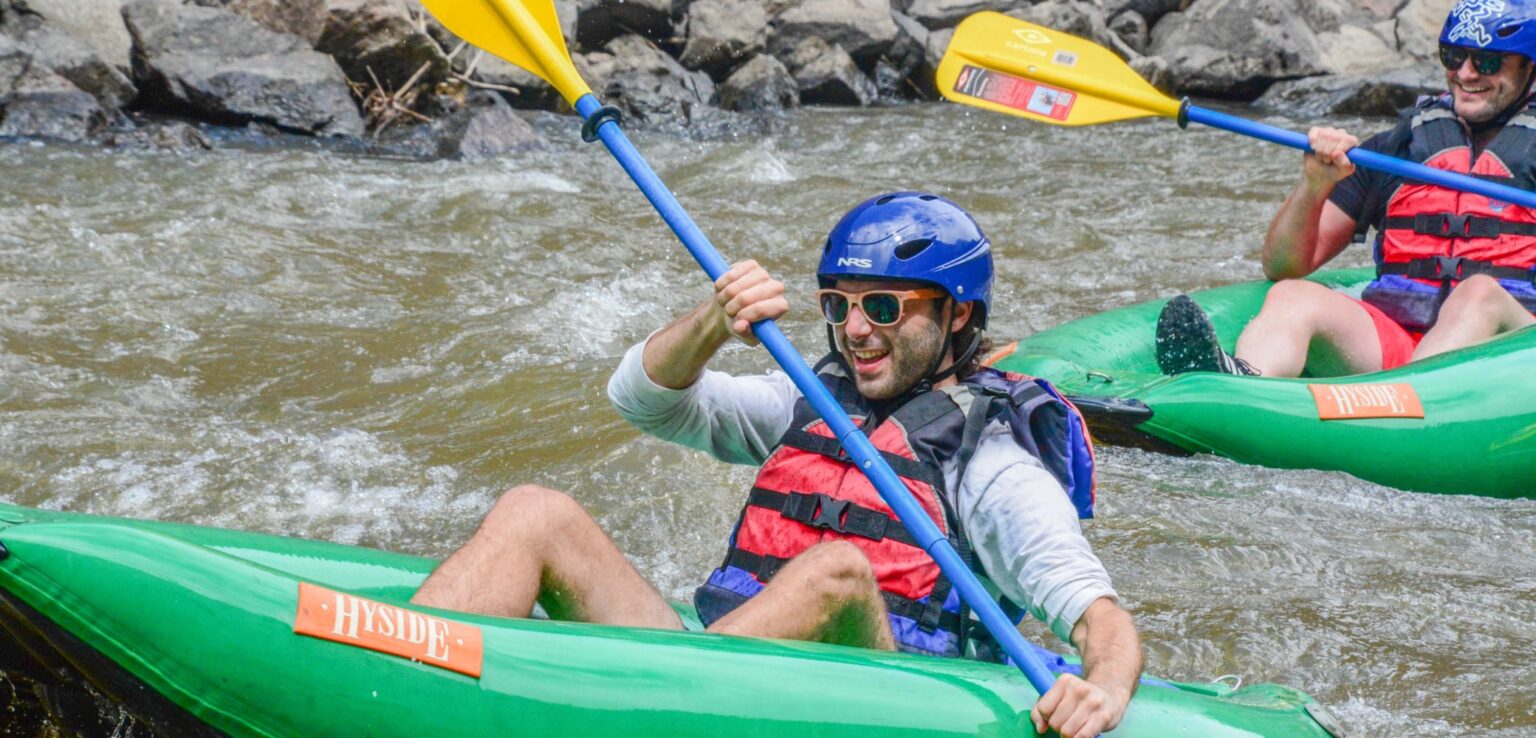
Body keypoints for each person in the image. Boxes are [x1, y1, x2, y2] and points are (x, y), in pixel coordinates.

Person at [411, 192, 1143, 738]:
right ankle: (394, 680)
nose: (856, 331)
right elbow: (644, 400)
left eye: (884, 308)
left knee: (837, 573)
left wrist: (1100, 692)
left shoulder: (993, 467)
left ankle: (654, 714)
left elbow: (1100, 623)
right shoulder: (814, 398)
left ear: (957, 315)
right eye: (839, 304)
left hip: (883, 710)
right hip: (714, 680)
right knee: (537, 512)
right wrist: (711, 322)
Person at [1156, 0, 1536, 378]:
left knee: (1478, 294)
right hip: (1401, 344)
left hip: (1510, 352)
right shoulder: (1396, 149)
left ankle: (1406, 407)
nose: (1466, 74)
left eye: (1487, 62)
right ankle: (1244, 381)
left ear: (1529, 65)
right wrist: (1314, 184)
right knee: (1292, 296)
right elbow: (1284, 266)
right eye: (1453, 56)